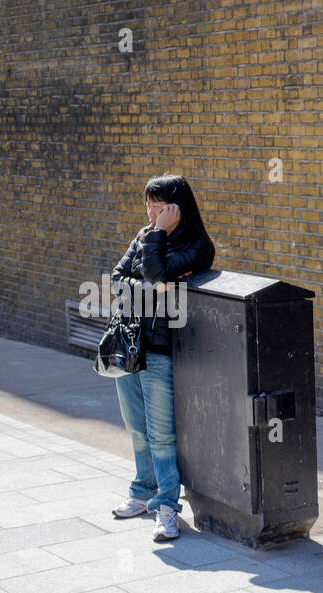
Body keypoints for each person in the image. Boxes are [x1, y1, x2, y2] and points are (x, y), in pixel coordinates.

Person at [108, 174, 215, 541]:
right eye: (148, 206)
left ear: (176, 209)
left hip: (162, 349)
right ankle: (142, 492)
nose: (150, 214)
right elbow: (118, 279)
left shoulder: (198, 246)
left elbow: (153, 271)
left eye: (158, 207)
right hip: (129, 345)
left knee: (161, 434)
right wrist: (152, 285)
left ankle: (167, 506)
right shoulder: (143, 235)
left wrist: (159, 238)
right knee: (136, 427)